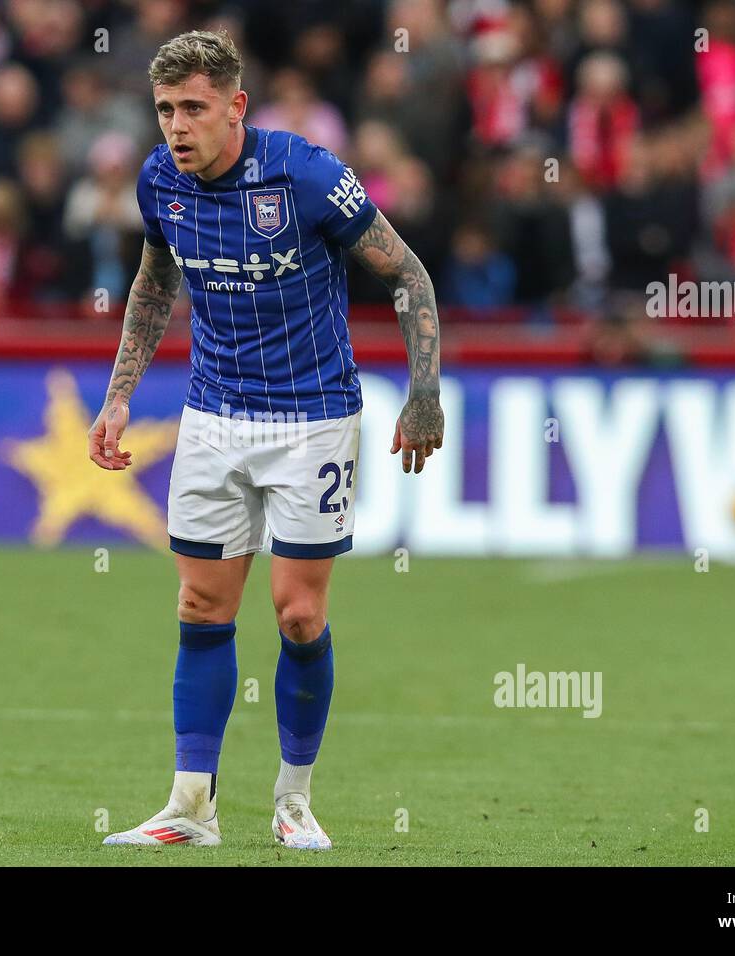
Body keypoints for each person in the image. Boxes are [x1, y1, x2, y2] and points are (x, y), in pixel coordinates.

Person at [86, 30, 444, 851]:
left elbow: (409, 273)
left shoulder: (306, 174)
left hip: (313, 418)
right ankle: (190, 805)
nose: (178, 127)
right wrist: (117, 399)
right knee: (199, 605)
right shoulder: (157, 182)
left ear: (235, 106)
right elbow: (153, 283)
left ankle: (292, 800)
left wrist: (424, 393)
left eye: (194, 109)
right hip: (213, 417)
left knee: (296, 617)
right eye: (167, 110)